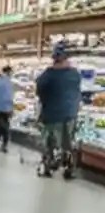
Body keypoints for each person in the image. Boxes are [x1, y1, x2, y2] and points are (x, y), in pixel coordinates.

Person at [34, 43, 81, 178]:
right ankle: (69, 169)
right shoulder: (74, 74)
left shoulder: (47, 76)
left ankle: (48, 166)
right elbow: (76, 93)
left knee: (50, 143)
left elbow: (40, 92)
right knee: (68, 143)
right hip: (70, 115)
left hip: (52, 115)